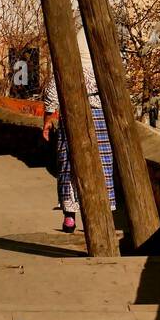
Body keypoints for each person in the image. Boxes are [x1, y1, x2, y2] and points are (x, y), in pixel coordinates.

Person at [41, 47, 116, 233]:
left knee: (69, 165)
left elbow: (51, 95)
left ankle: (69, 217)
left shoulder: (66, 66)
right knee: (103, 166)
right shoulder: (104, 67)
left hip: (71, 116)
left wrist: (48, 121)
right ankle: (104, 215)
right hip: (100, 119)